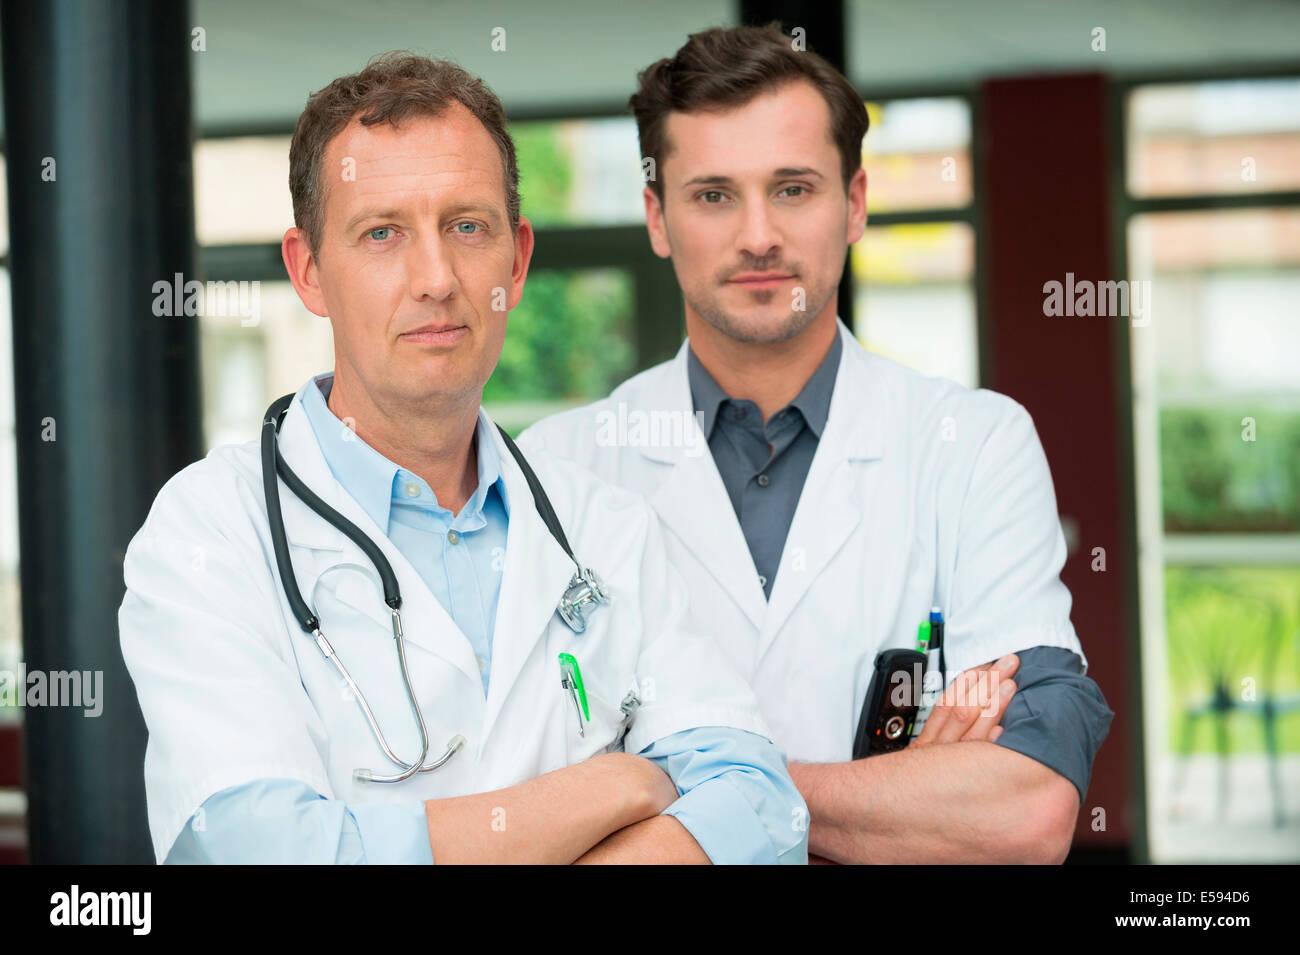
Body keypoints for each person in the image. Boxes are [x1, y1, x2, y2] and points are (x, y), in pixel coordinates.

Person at [117, 53, 807, 865]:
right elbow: (252, 849)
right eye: (383, 234)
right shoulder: (209, 535)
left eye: (466, 227)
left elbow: (761, 809)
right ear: (308, 271)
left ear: (514, 261)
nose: (437, 278)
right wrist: (611, 787)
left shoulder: (605, 526)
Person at [519, 24, 1115, 864]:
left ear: (856, 202)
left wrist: (653, 788)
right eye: (713, 195)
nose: (758, 235)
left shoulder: (975, 446)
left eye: (793, 189)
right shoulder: (556, 470)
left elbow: (1026, 813)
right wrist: (905, 795)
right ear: (658, 216)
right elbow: (519, 796)